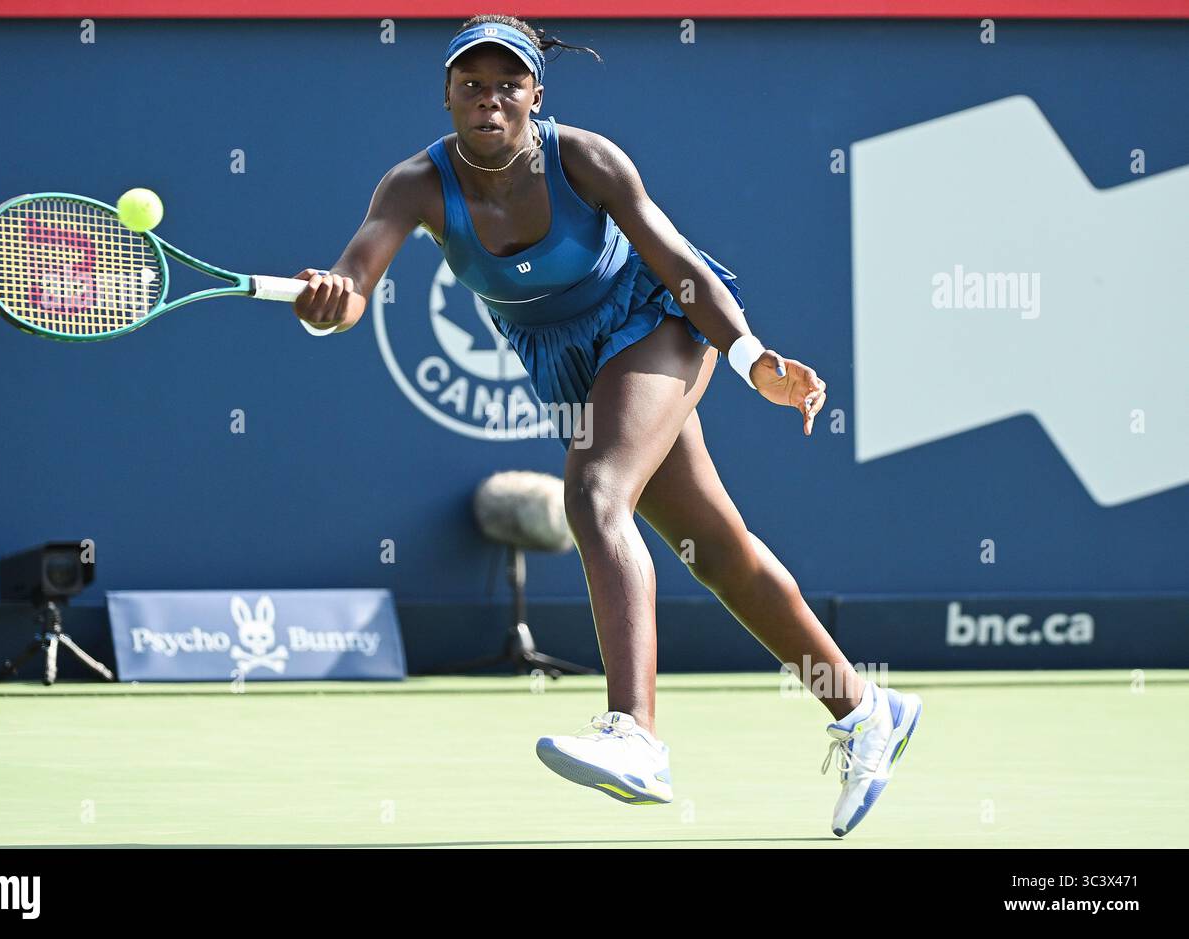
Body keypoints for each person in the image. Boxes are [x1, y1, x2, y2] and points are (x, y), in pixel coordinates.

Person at [291, 14, 921, 837]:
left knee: (594, 494)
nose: (491, 100)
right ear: (446, 96)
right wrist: (326, 305)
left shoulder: (583, 158)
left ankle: (637, 735)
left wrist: (752, 358)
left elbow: (680, 267)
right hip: (570, 363)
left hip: (656, 322)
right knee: (718, 551)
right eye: (472, 85)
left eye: (508, 85)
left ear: (535, 97)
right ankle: (865, 706)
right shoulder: (413, 184)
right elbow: (352, 281)